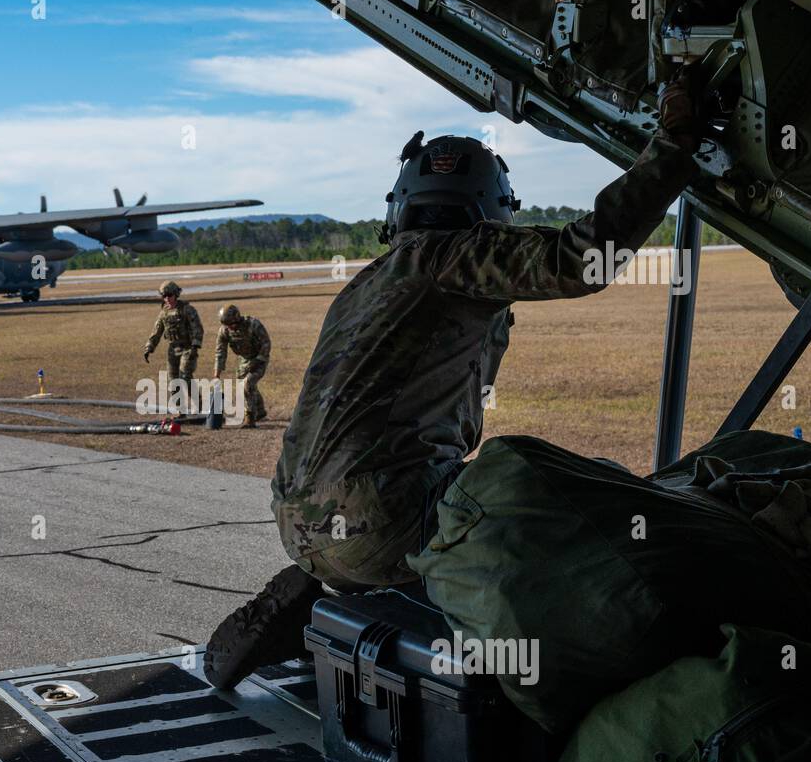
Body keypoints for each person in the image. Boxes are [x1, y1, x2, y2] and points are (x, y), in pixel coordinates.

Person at [203, 69, 704, 689]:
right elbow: (584, 257)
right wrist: (675, 146)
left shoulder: (370, 281)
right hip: (383, 523)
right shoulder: (446, 259)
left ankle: (320, 602)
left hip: (296, 521)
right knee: (553, 489)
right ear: (487, 209)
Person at [144, 281, 203, 410]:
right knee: (173, 380)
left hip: (187, 348)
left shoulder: (187, 310)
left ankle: (199, 406)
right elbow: (157, 331)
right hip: (172, 350)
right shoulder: (163, 312)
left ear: (176, 294)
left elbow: (197, 328)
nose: (167, 299)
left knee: (185, 376)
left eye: (169, 295)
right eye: (164, 296)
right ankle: (179, 410)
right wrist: (149, 347)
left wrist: (195, 346)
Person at [214, 305, 270, 428]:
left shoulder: (253, 324)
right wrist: (217, 373)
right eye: (226, 324)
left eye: (231, 324)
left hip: (260, 358)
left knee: (247, 383)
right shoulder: (224, 330)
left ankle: (249, 418)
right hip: (244, 360)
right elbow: (220, 351)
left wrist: (258, 360)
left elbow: (266, 343)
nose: (230, 327)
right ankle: (260, 411)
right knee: (245, 386)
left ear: (237, 319)